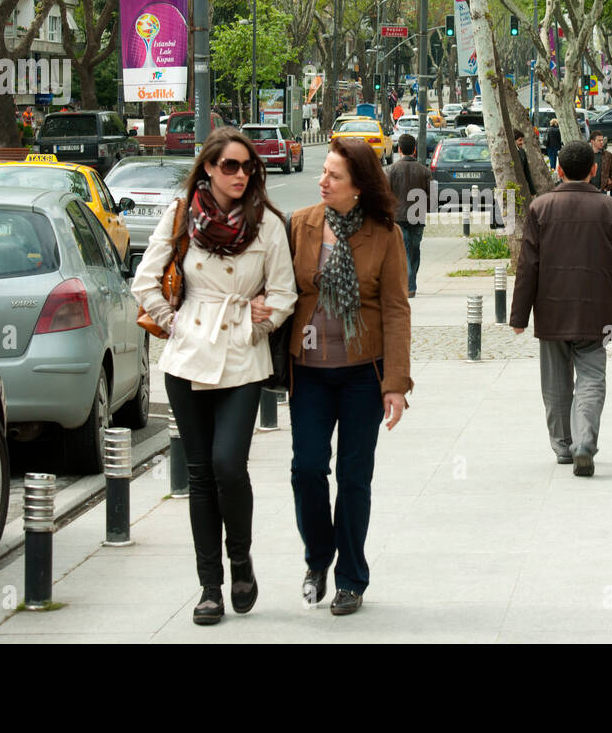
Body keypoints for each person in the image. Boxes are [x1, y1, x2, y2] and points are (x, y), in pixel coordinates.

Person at [132, 128, 297, 625]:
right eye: (230, 166)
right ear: (208, 167)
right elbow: (145, 279)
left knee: (229, 464)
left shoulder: (268, 224)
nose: (241, 175)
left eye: (248, 167)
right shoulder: (182, 215)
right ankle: (210, 586)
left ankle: (241, 559)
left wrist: (255, 323)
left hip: (242, 356)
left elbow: (285, 294)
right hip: (187, 359)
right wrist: (172, 321)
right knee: (200, 474)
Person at [273, 138, 411, 616]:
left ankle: (351, 577)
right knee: (307, 468)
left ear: (359, 186)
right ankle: (318, 558)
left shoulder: (384, 234)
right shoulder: (301, 224)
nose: (322, 180)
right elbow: (277, 286)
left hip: (361, 375)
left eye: (334, 175)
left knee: (355, 476)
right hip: (308, 371)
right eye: (324, 172)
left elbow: (396, 308)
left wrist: (396, 382)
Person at [510, 140, 612, 477]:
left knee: (554, 383)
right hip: (600, 313)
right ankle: (585, 441)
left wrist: (519, 316)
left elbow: (528, 266)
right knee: (593, 379)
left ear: (559, 169)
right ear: (594, 170)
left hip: (552, 311)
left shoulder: (540, 208)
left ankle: (564, 446)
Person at [386, 132, 431, 298]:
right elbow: (432, 197)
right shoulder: (424, 171)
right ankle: (411, 284)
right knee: (414, 250)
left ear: (399, 149)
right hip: (418, 217)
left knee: (403, 251)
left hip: (398, 217)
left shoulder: (390, 170)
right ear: (414, 150)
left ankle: (409, 285)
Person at [513, 130, 535, 194]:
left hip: (520, 187)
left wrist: (532, 192)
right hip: (509, 188)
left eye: (522, 140)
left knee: (521, 204)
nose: (522, 142)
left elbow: (527, 172)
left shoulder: (522, 152)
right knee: (510, 204)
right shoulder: (508, 154)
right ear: (513, 141)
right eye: (520, 140)